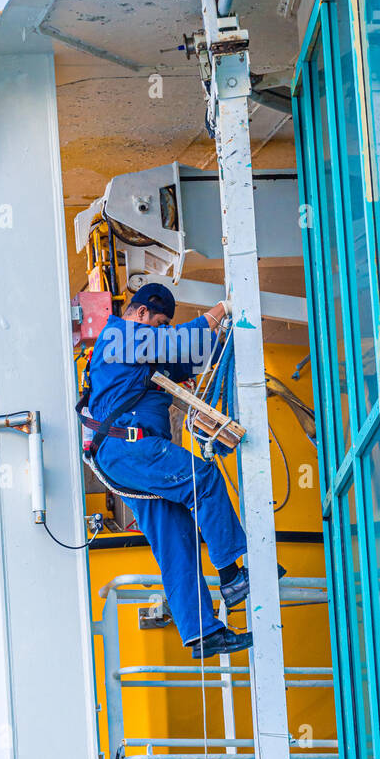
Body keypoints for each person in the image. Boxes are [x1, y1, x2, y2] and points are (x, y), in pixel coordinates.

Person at [81, 281, 253, 659]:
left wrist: (194, 364)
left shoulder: (132, 349)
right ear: (141, 314)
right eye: (158, 322)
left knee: (175, 539)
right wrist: (221, 310)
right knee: (202, 479)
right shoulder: (119, 333)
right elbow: (173, 344)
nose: (160, 330)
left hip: (125, 454)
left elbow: (179, 356)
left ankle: (202, 633)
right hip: (130, 448)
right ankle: (231, 576)